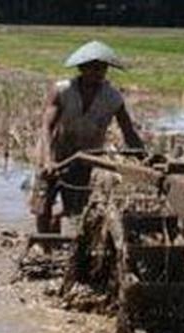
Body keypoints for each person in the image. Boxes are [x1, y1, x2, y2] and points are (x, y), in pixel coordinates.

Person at [32, 41, 145, 234]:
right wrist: (48, 160)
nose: (98, 72)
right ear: (81, 69)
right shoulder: (62, 90)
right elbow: (47, 127)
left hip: (84, 158)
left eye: (102, 68)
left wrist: (143, 157)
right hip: (54, 151)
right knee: (42, 205)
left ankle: (59, 218)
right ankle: (45, 246)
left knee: (75, 208)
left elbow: (128, 131)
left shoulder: (113, 97)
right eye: (92, 68)